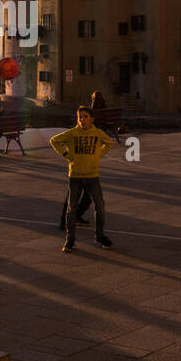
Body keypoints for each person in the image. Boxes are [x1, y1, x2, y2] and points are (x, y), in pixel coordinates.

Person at [50, 107, 116, 253]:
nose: (82, 119)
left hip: (92, 176)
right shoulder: (72, 133)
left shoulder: (97, 133)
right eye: (80, 116)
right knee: (71, 208)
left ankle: (99, 236)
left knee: (100, 207)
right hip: (75, 176)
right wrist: (67, 154)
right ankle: (70, 240)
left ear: (91, 119)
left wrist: (98, 154)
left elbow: (110, 143)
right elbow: (54, 140)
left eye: (85, 116)